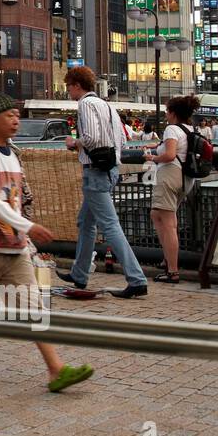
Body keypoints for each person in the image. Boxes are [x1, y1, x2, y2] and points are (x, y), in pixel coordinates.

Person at [0, 93, 93, 392]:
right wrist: (29, 226)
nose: (15, 120)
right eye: (10, 115)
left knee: (32, 306)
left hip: (14, 245)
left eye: (16, 114)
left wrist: (25, 235)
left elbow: (16, 199)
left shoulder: (13, 152)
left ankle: (55, 368)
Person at [57, 66, 148, 298]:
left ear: (77, 85)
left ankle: (136, 279)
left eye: (69, 86)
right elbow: (121, 139)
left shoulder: (85, 104)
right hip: (110, 168)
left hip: (95, 170)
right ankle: (79, 274)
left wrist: (73, 142)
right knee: (85, 222)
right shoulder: (107, 105)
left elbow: (92, 138)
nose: (68, 91)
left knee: (109, 225)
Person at [145, 94, 198, 284]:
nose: (166, 115)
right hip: (185, 179)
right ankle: (168, 259)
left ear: (173, 113)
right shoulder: (190, 129)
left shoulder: (171, 129)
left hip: (169, 175)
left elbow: (169, 155)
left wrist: (153, 158)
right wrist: (156, 146)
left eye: (167, 111)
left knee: (168, 224)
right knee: (157, 215)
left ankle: (172, 271)